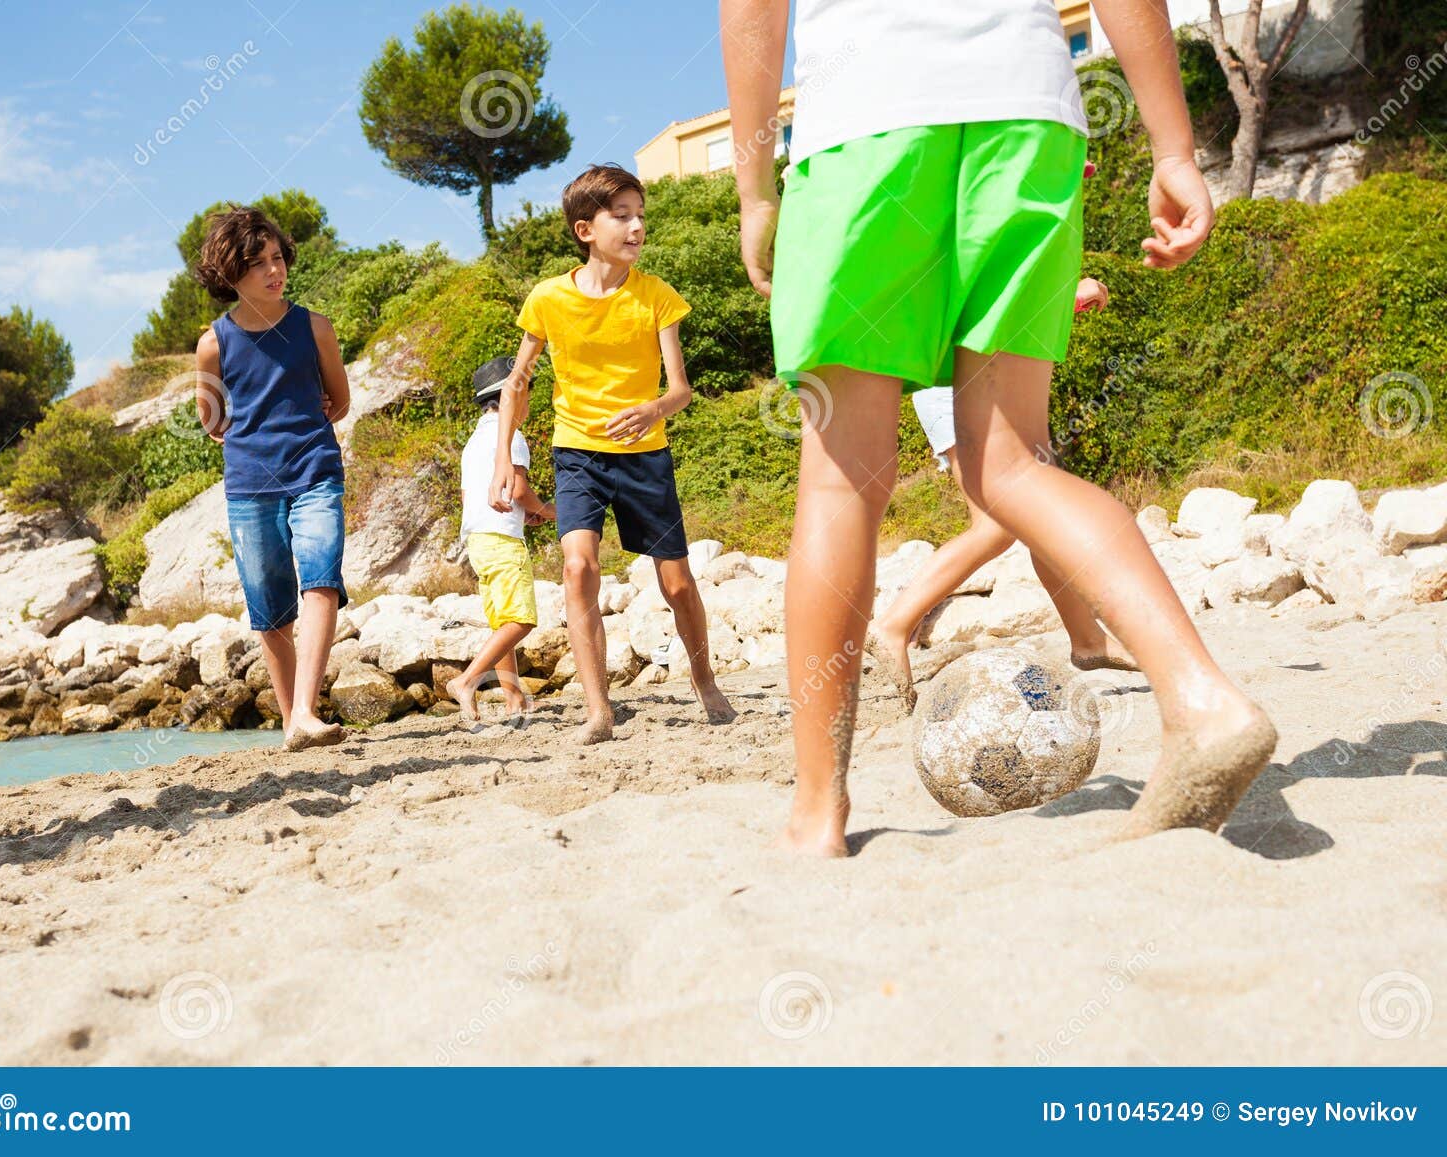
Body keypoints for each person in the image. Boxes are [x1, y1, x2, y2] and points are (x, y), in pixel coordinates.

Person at [722, 0, 1277, 855]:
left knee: (842, 477)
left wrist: (755, 188)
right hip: (1027, 114)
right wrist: (1172, 148)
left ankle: (818, 811)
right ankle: (1201, 697)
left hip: (867, 122)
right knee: (1010, 461)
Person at [488, 163, 736, 745]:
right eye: (621, 216)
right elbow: (516, 383)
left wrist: (653, 409)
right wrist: (504, 457)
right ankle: (598, 711)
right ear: (584, 230)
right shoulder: (547, 298)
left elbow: (681, 389)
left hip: (646, 455)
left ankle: (704, 680)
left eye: (640, 216)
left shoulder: (658, 297)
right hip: (576, 452)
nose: (636, 227)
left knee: (677, 585)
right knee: (579, 569)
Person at [866, 275, 1138, 708]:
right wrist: (1063, 289)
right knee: (998, 526)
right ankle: (893, 625)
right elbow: (990, 286)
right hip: (960, 382)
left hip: (975, 380)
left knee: (1037, 517)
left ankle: (1088, 641)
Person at [194, 205, 351, 752]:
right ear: (228, 273)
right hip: (249, 485)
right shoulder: (212, 343)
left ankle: (306, 710)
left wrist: (298, 427)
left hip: (315, 471)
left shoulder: (316, 327)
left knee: (321, 577)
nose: (273, 270)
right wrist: (247, 436)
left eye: (278, 257)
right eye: (257, 262)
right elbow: (210, 418)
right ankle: (292, 723)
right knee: (269, 609)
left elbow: (341, 400)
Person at [445, 356, 557, 724]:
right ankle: (467, 680)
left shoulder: (473, 441)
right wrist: (548, 510)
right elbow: (519, 488)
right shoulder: (511, 435)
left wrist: (526, 511)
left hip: (477, 539)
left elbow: (469, 497)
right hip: (503, 538)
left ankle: (513, 699)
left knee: (502, 621)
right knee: (521, 620)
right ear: (515, 395)